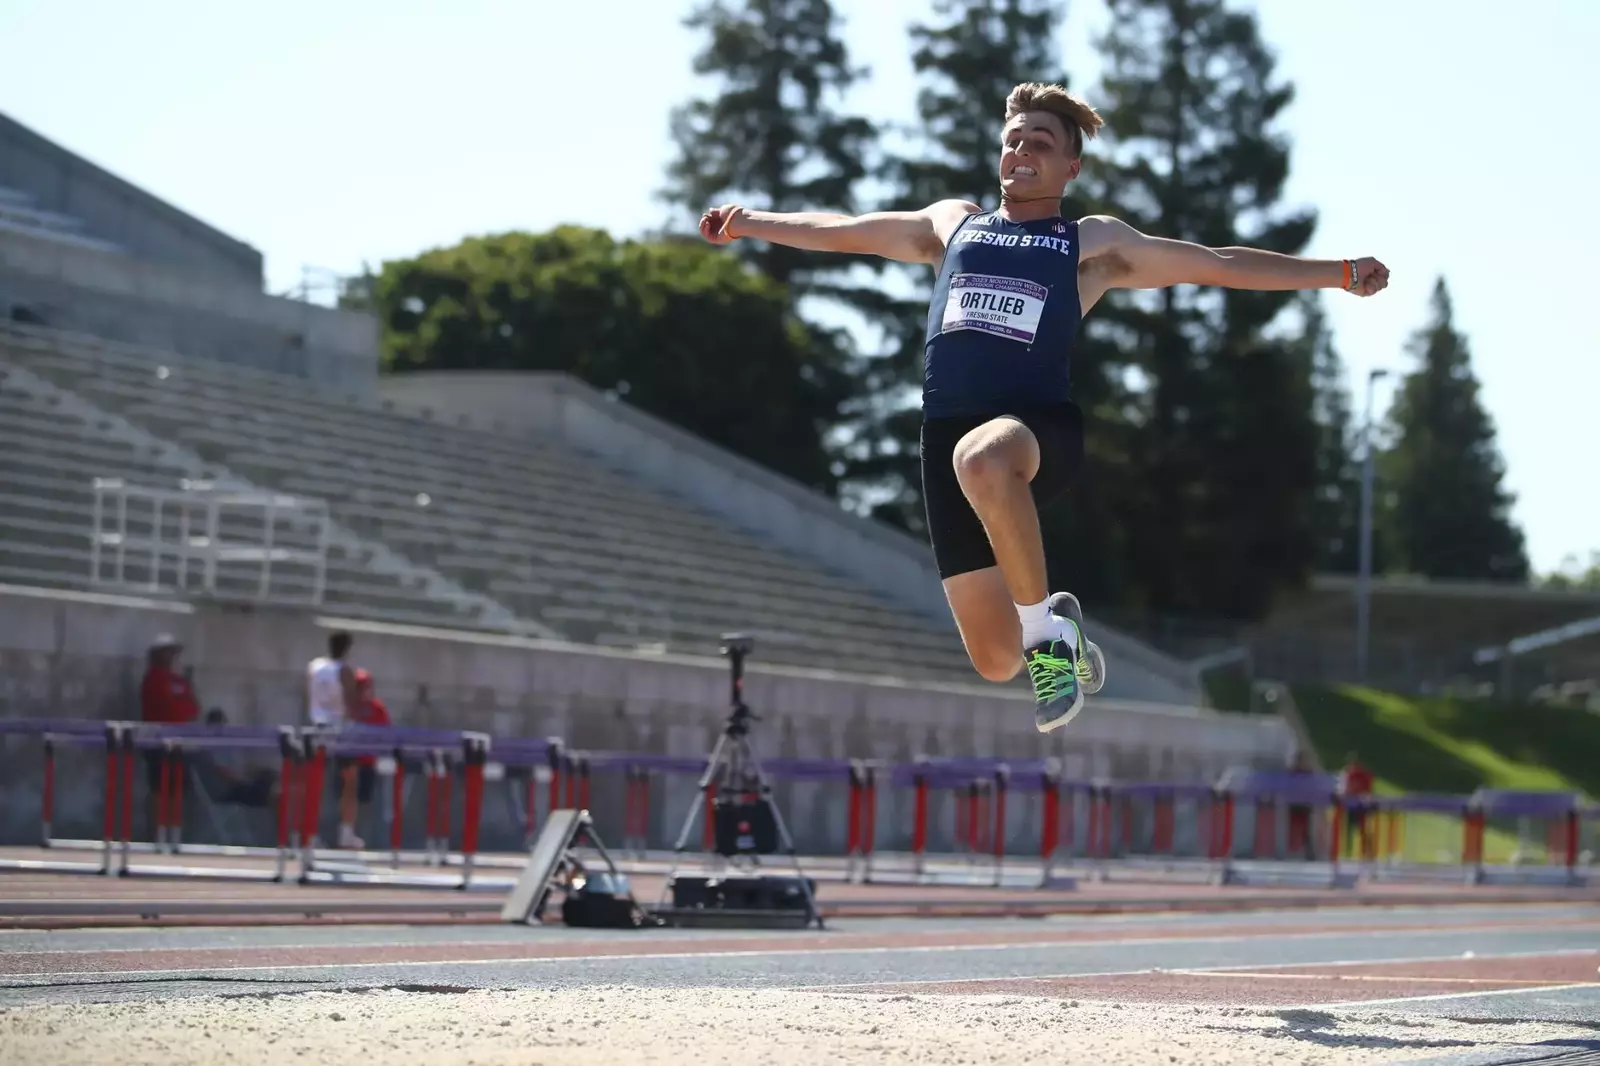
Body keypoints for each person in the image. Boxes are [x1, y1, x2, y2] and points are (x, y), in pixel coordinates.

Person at [698, 82, 1389, 732]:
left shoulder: (1092, 245)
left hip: (1034, 433)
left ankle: (1048, 642)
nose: (1021, 153)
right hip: (945, 445)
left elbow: (1221, 263)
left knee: (985, 458)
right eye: (1013, 140)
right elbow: (845, 228)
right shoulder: (951, 227)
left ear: (1072, 168)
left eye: (1040, 144)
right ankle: (1053, 621)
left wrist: (1338, 273)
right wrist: (749, 222)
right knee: (995, 661)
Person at [304, 630, 364, 849]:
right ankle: (346, 832)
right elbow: (350, 703)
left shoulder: (314, 667)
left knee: (315, 781)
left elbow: (308, 696)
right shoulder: (345, 670)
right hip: (337, 730)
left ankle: (310, 834)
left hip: (317, 726)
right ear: (347, 649)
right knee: (350, 780)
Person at [139, 633, 201, 837]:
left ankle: (174, 833)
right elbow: (164, 708)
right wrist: (180, 707)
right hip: (157, 741)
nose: (172, 656)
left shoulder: (180, 681)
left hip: (179, 740)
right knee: (159, 789)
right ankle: (158, 832)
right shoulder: (153, 678)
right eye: (168, 652)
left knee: (177, 789)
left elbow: (192, 709)